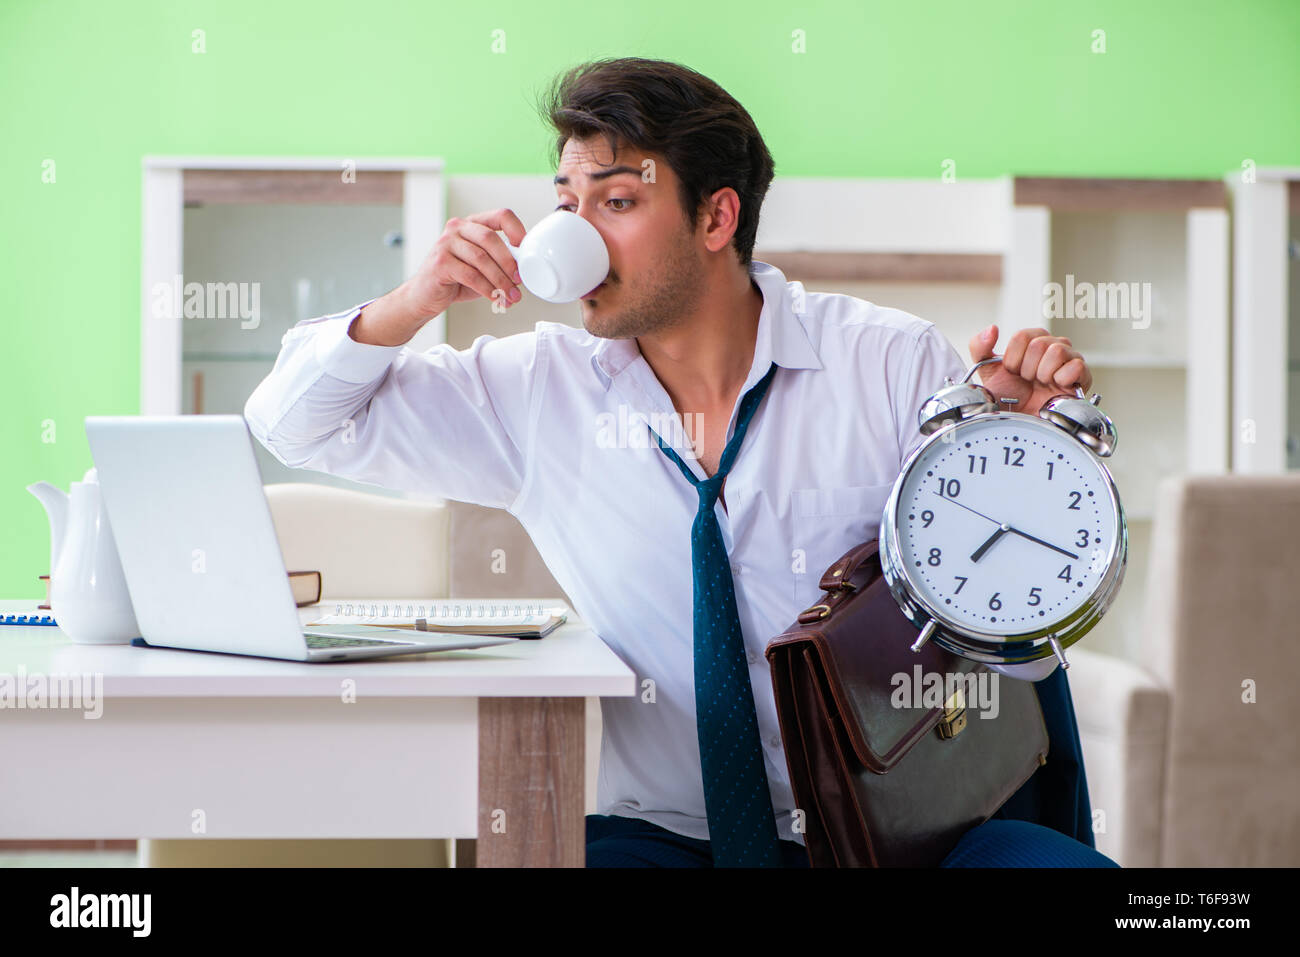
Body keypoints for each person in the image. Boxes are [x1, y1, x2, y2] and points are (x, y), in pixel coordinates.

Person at [245, 56, 1117, 868]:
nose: (573, 233)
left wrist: (1021, 459)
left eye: (615, 201)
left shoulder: (892, 367)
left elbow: (1019, 652)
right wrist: (414, 298)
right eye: (565, 201)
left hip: (905, 831)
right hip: (665, 837)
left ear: (716, 216)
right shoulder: (539, 394)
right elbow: (293, 423)